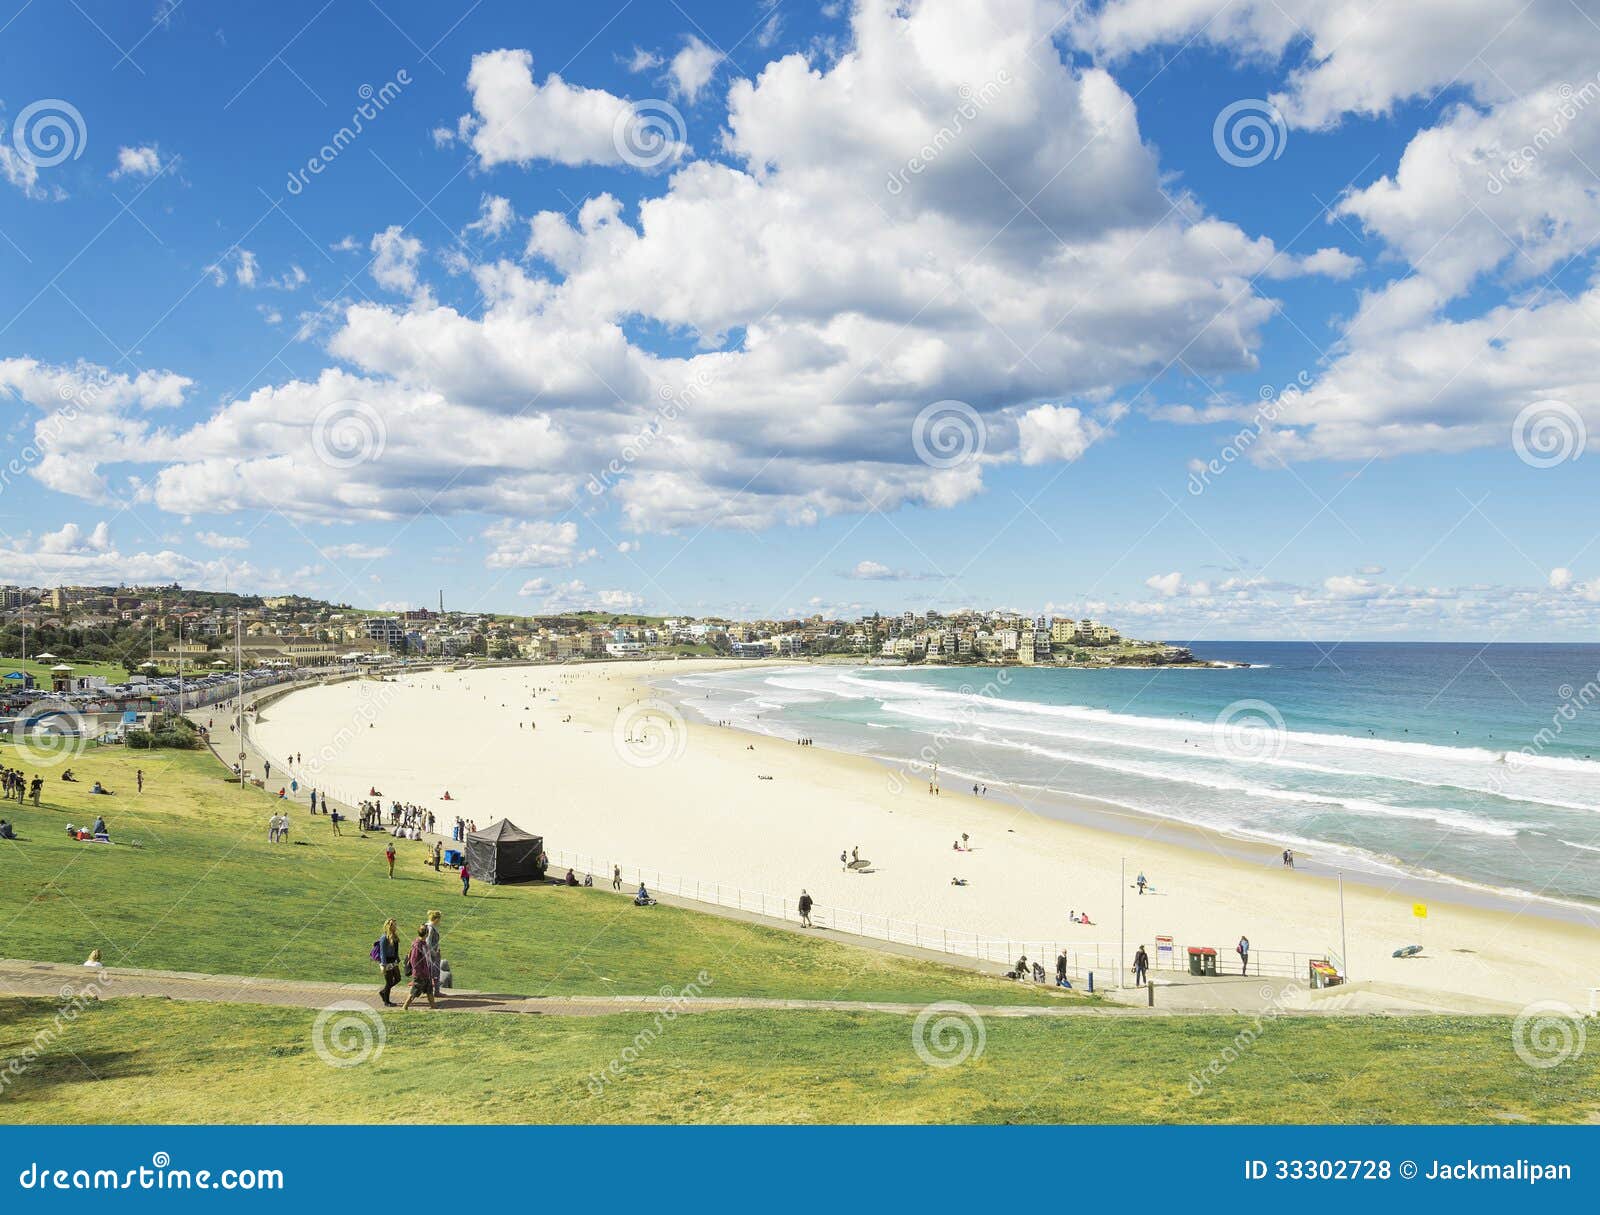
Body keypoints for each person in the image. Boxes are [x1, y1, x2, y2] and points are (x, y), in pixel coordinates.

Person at [401, 925, 435, 1011]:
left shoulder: (424, 943)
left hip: (426, 973)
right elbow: (414, 960)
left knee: (429, 990)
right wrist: (419, 972)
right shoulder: (417, 945)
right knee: (415, 991)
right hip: (420, 974)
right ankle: (405, 1006)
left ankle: (433, 1006)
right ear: (426, 934)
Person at [376, 919, 402, 1006]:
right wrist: (383, 965)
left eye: (396, 924)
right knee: (389, 982)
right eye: (394, 925)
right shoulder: (384, 937)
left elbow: (395, 950)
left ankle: (383, 992)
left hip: (393, 961)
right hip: (386, 961)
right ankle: (386, 1002)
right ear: (389, 926)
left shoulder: (395, 936)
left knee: (398, 978)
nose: (396, 926)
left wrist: (397, 959)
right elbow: (382, 952)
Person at [426, 911, 443, 999]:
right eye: (439, 919)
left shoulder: (432, 927)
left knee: (432, 972)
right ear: (436, 919)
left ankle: (433, 991)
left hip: (433, 953)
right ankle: (436, 991)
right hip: (432, 954)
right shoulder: (431, 928)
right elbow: (428, 942)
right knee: (435, 972)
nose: (440, 921)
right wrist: (434, 953)